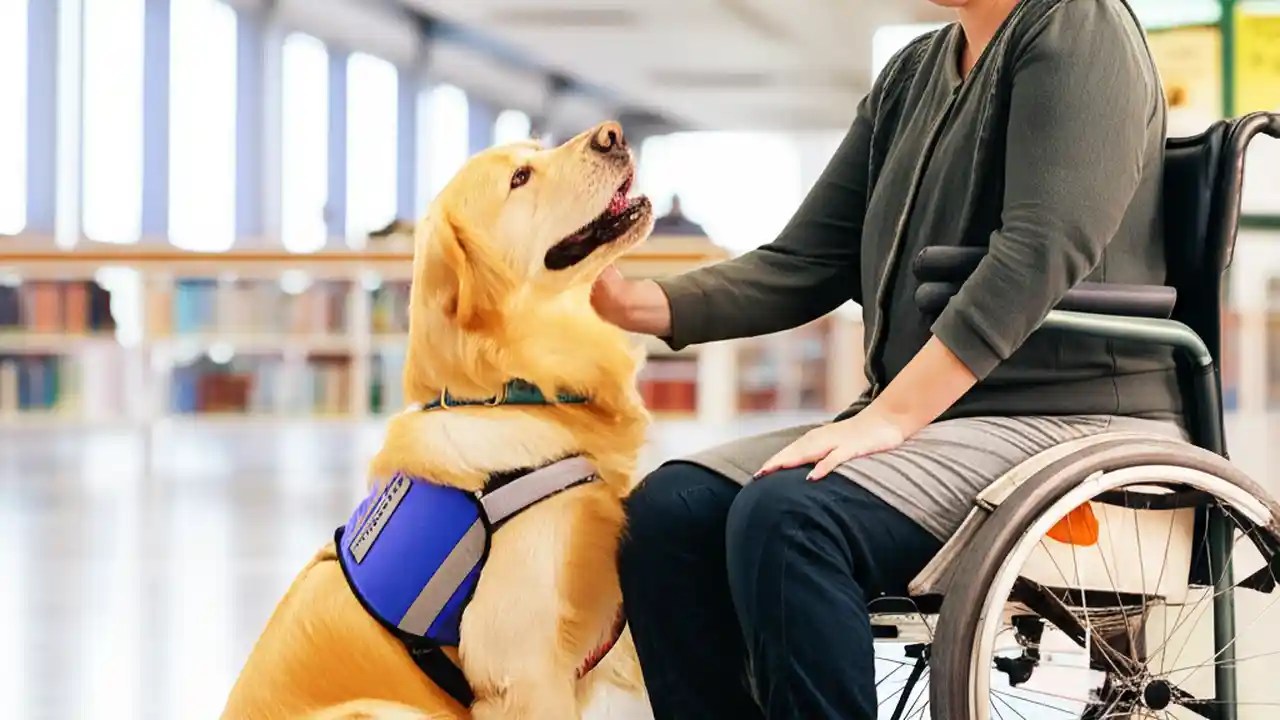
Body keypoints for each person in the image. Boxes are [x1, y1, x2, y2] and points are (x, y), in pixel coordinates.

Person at [590, 0, 1187, 718]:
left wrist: (893, 414)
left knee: (792, 517)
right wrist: (636, 303)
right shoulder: (913, 73)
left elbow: (1040, 250)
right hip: (944, 423)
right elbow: (809, 259)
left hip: (1067, 417)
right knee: (667, 513)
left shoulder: (1077, 25)